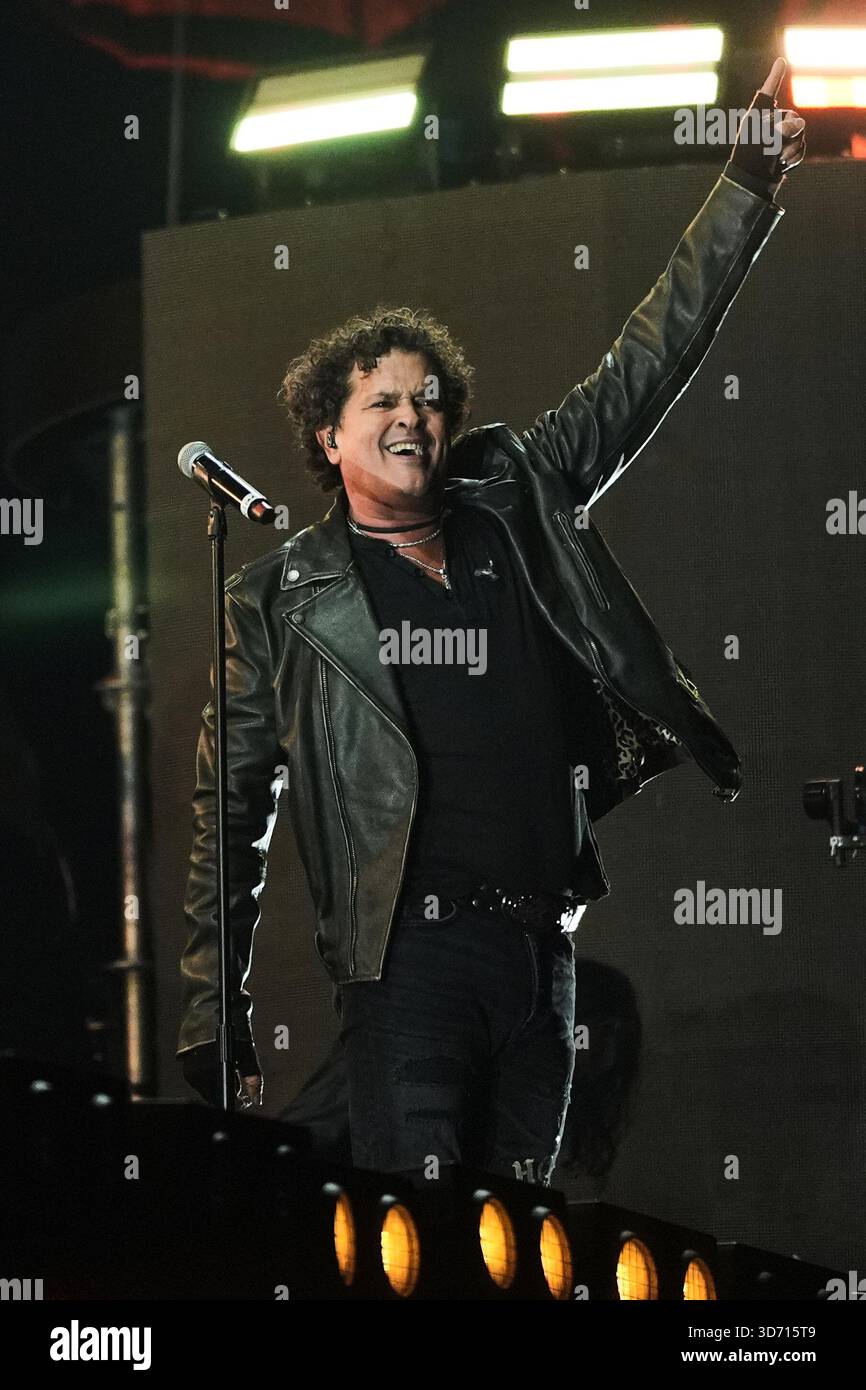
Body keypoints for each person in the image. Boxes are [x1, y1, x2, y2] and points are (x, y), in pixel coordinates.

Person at [178, 61, 805, 1184]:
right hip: (408, 961)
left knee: (514, 1248)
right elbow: (227, 816)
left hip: (541, 952)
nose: (411, 415)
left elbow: (643, 370)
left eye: (427, 397)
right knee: (418, 1251)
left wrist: (747, 181)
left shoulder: (514, 490)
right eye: (381, 400)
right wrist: (205, 1005)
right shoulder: (281, 599)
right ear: (328, 436)